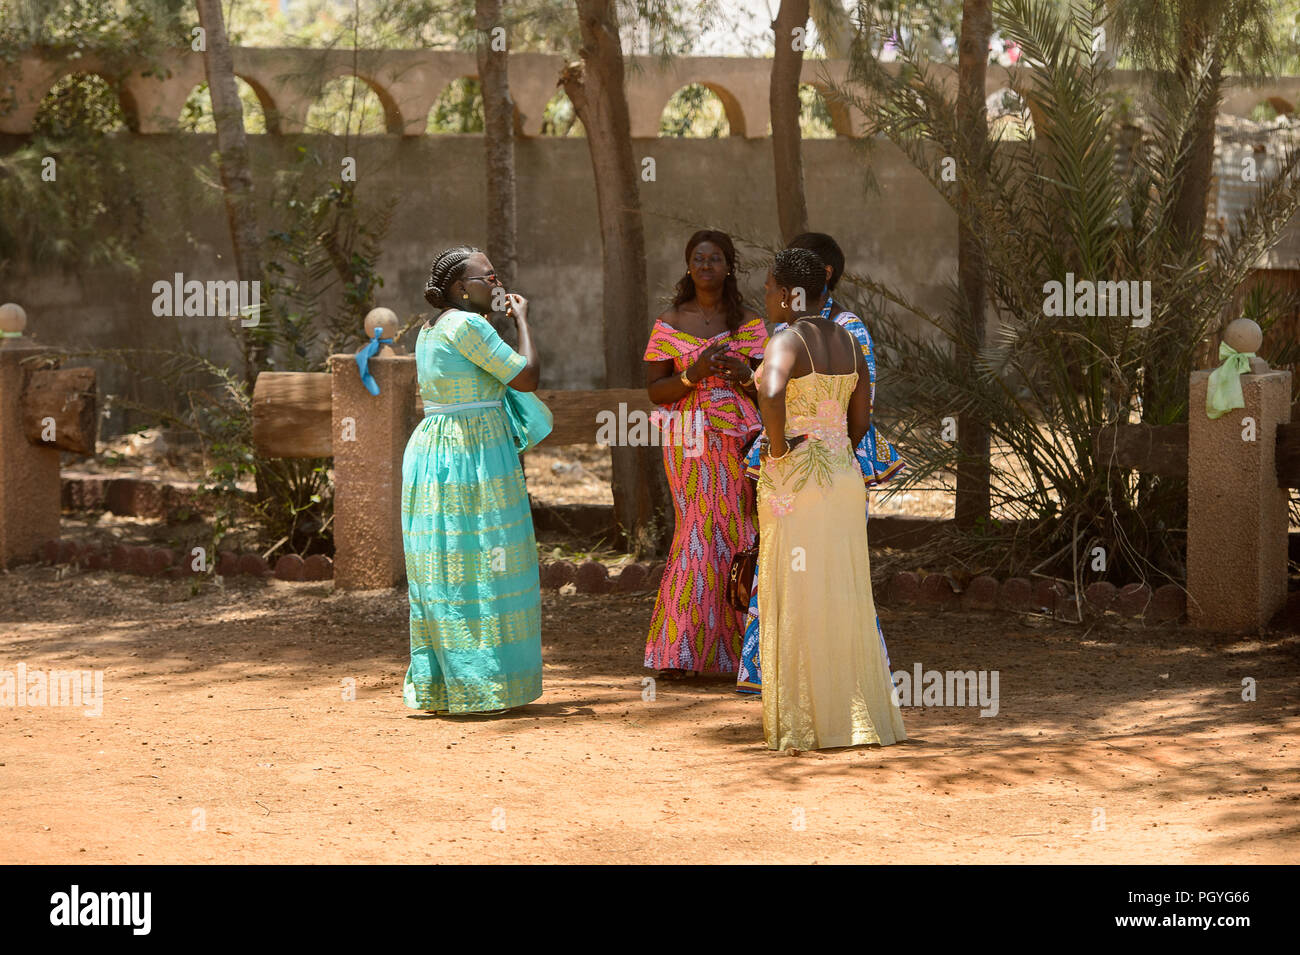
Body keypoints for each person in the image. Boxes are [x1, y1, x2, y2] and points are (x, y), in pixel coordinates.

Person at [752, 247, 906, 750]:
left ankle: (808, 723)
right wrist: (834, 443)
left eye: (770, 288)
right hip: (842, 477)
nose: (767, 297)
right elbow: (860, 420)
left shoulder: (787, 340)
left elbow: (770, 392)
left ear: (786, 291)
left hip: (796, 478)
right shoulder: (848, 340)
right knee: (843, 593)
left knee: (797, 594)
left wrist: (777, 448)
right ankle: (855, 718)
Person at [401, 245, 543, 715]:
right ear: (463, 289)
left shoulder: (432, 327)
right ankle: (484, 685)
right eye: (490, 277)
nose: (498, 285)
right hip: (473, 454)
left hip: (437, 451)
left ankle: (448, 685)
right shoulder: (469, 325)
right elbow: (526, 378)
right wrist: (522, 320)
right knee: (487, 561)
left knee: (447, 564)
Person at [642, 230, 768, 676]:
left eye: (715, 258)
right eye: (698, 258)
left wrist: (743, 373)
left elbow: (769, 384)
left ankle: (739, 655)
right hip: (687, 440)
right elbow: (657, 391)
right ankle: (680, 653)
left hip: (738, 440)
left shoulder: (751, 323)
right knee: (695, 532)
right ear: (688, 266)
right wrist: (693, 374)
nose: (706, 265)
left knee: (737, 533)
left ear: (728, 266)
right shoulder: (669, 321)